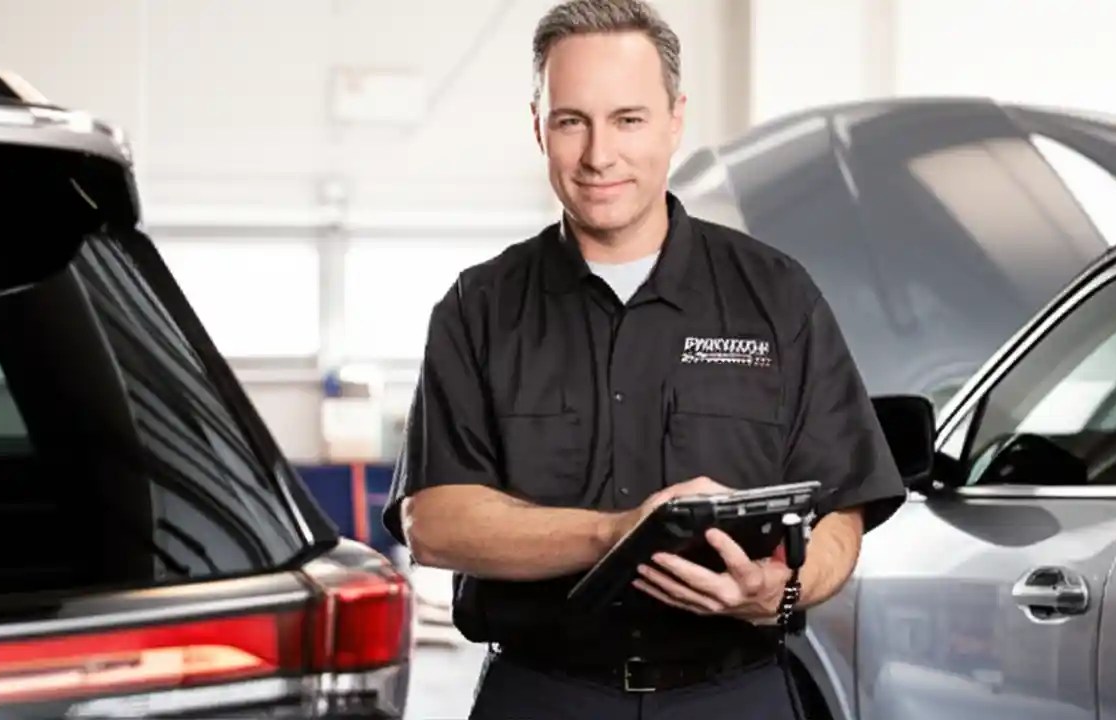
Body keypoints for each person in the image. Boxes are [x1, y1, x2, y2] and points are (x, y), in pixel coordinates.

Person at [382, 0, 907, 717]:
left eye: (628, 119)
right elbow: (434, 523)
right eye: (572, 121)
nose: (600, 156)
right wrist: (615, 531)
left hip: (733, 693)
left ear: (674, 120)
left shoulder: (776, 296)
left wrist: (779, 590)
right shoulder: (480, 307)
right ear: (538, 126)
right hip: (541, 695)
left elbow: (842, 508)